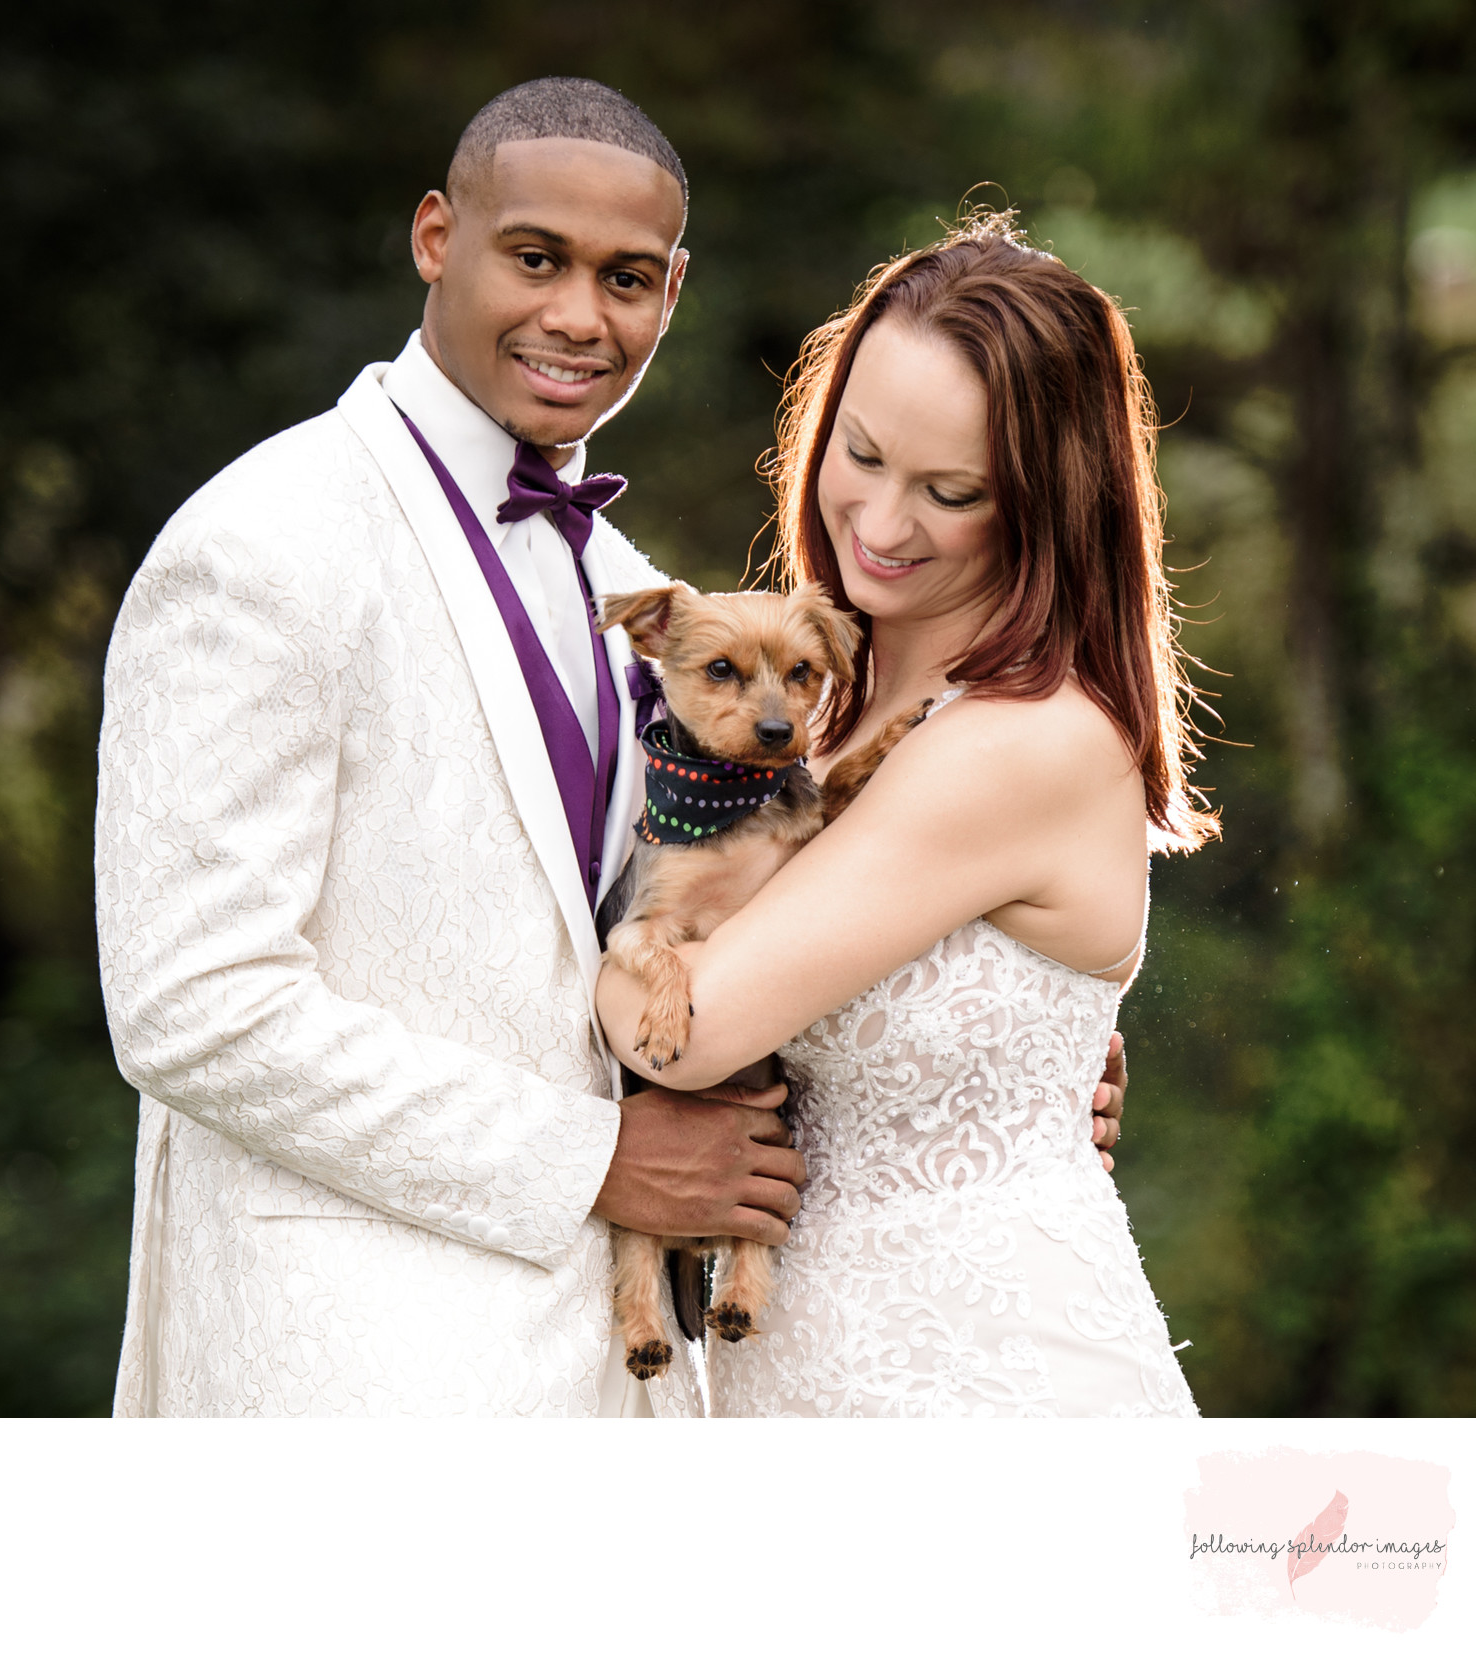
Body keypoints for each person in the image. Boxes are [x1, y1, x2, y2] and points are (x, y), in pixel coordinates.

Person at [96, 78, 1125, 1416]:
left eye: (628, 277)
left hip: (624, 1384)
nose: (580, 315)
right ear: (432, 238)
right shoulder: (264, 547)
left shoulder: (641, 590)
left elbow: (752, 899)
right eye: (536, 259)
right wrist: (587, 1160)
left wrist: (998, 1046)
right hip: (353, 1378)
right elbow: (192, 1007)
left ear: (674, 292)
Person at [597, 215, 1202, 1417]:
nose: (878, 522)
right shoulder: (812, 712)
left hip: (981, 1380)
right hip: (809, 1369)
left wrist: (605, 955)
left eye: (951, 491)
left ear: (1046, 503)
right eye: (861, 454)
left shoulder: (1013, 740)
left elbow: (699, 1029)